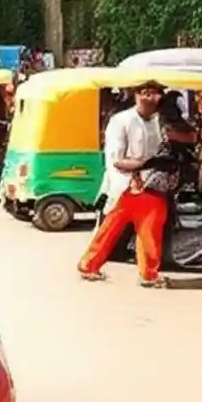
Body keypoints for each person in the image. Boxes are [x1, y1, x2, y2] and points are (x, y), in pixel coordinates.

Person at [78, 81, 172, 287]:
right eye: (145, 93)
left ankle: (149, 274)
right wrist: (143, 165)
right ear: (136, 95)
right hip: (126, 186)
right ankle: (88, 265)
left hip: (152, 185)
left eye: (155, 94)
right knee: (109, 230)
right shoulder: (121, 121)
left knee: (151, 231)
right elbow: (116, 159)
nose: (151, 99)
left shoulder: (159, 121)